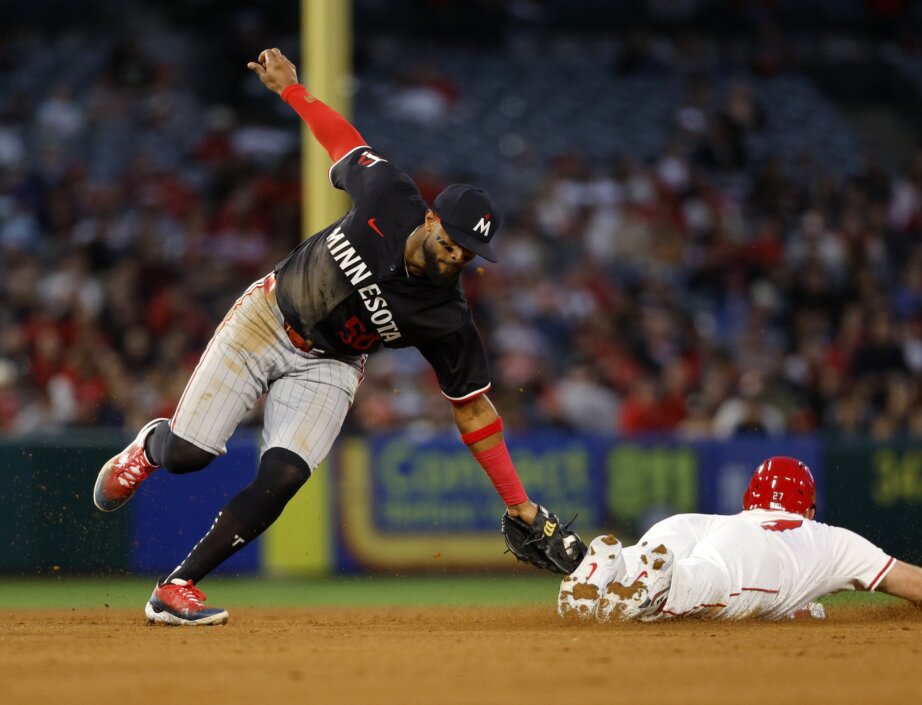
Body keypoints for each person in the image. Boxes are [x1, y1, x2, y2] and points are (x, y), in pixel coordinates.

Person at [94, 48, 578, 625]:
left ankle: (176, 587)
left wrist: (518, 503)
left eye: (468, 254)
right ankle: (151, 446)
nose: (456, 258)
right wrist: (291, 90)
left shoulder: (447, 317)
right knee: (188, 455)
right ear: (431, 219)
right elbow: (342, 142)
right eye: (451, 243)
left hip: (333, 364)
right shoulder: (389, 195)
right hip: (268, 318)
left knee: (284, 476)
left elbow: (474, 410)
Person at [558, 456, 922, 623]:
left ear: (751, 497)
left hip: (700, 525)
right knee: (712, 579)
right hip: (756, 554)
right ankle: (660, 586)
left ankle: (612, 567)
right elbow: (919, 586)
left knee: (663, 552)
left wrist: (805, 612)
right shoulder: (827, 537)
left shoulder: (731, 517)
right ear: (809, 509)